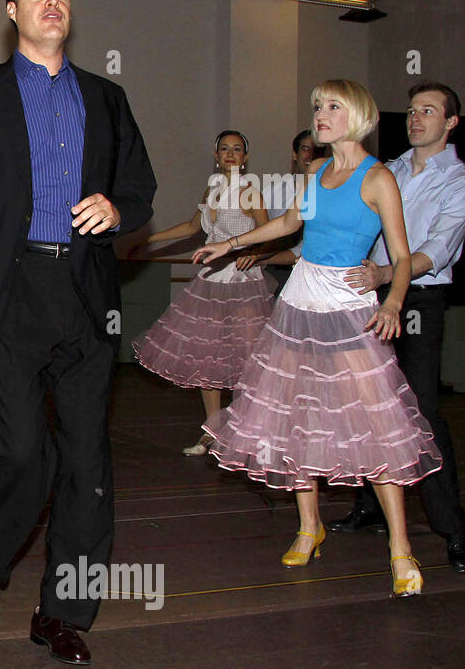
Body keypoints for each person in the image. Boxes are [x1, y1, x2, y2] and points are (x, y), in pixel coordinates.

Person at [0, 0, 156, 665]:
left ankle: (63, 613)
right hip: (9, 292)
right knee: (21, 449)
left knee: (88, 459)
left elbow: (140, 188)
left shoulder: (106, 98)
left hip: (86, 297)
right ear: (13, 11)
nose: (53, 2)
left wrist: (120, 208)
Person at [195, 79, 440, 597]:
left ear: (356, 116)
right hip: (299, 301)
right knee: (293, 414)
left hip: (348, 304)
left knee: (375, 422)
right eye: (316, 107)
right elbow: (287, 222)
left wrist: (394, 301)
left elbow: (400, 256)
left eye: (331, 107)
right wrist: (229, 243)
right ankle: (309, 526)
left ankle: (400, 548)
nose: (319, 115)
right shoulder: (315, 171)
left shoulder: (378, 179)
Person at [326, 80, 465, 573]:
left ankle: (452, 527)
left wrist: (390, 275)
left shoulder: (457, 179)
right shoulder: (390, 169)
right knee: (365, 401)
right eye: (410, 110)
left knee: (420, 409)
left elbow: (439, 248)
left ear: (450, 122)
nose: (415, 118)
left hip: (418, 298)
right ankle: (370, 506)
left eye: (428, 111)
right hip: (370, 293)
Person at [133, 130, 272, 454]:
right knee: (209, 357)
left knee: (246, 359)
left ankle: (247, 430)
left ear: (245, 157)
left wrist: (258, 250)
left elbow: (270, 232)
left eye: (237, 149)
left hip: (243, 283)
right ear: (216, 155)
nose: (231, 154)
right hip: (211, 281)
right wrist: (149, 240)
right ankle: (213, 429)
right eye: (225, 148)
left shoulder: (250, 192)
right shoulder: (212, 191)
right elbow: (193, 227)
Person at [257, 129, 316, 296]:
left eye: (316, 150)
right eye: (305, 149)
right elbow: (261, 231)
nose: (310, 155)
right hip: (274, 272)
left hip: (314, 274)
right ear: (295, 154)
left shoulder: (330, 193)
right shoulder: (274, 190)